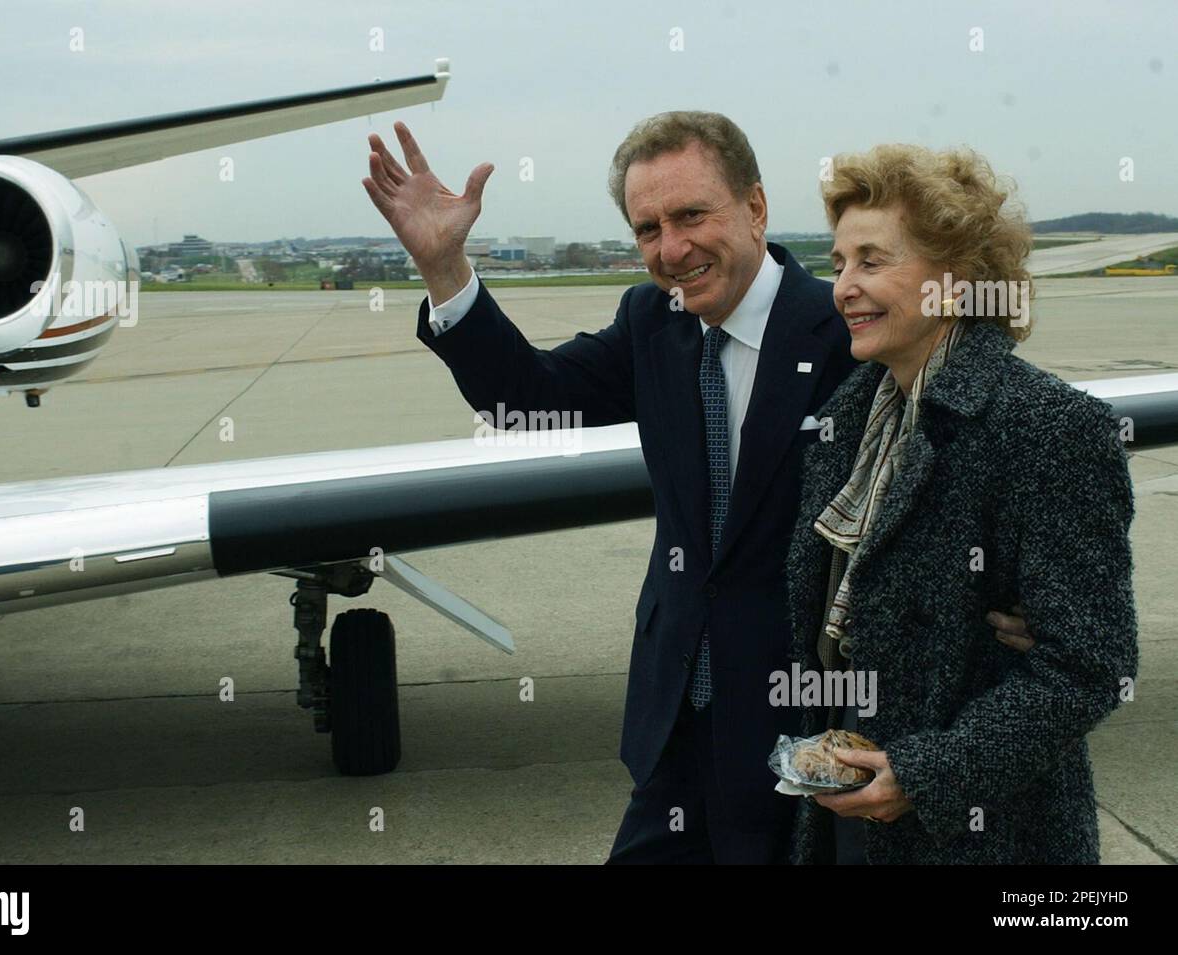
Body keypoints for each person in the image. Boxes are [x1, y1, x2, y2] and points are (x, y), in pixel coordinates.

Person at [362, 114, 1031, 864]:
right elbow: (522, 396)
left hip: (805, 721)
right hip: (676, 714)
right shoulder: (653, 321)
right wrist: (446, 270)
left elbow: (967, 461)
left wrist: (1024, 591)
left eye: (690, 215)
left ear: (754, 208)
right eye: (647, 228)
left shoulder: (853, 324)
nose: (671, 249)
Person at [785, 143, 1138, 864]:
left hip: (981, 830)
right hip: (851, 808)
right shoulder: (849, 421)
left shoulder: (1048, 428)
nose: (842, 287)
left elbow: (1090, 666)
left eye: (872, 261)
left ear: (954, 282)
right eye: (839, 263)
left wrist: (925, 775)